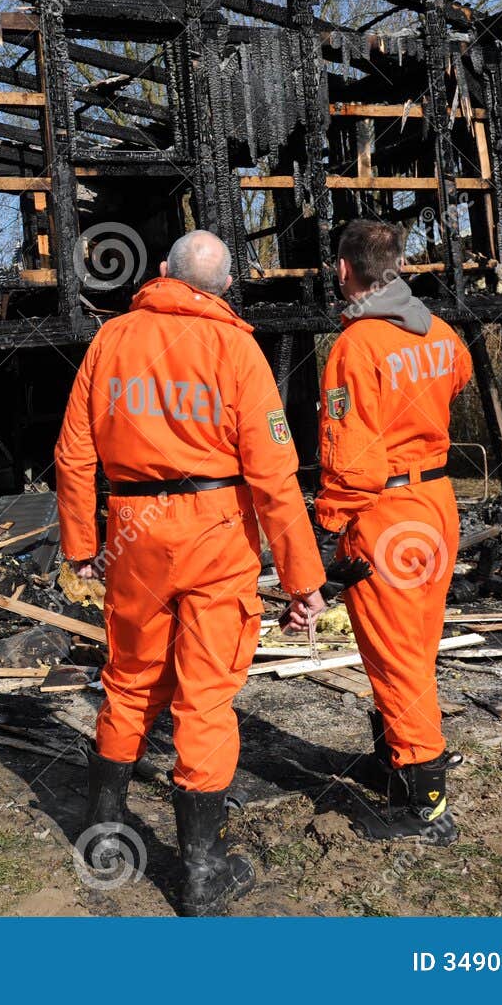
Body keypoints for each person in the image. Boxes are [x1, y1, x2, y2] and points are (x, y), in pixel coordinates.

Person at [55, 229, 327, 915]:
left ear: (160, 271)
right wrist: (302, 579)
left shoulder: (110, 341)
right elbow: (274, 474)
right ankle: (202, 871)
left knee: (129, 678)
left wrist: (82, 545)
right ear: (227, 285)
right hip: (216, 534)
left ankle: (104, 834)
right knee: (204, 698)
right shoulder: (236, 348)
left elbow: (73, 453)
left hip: (134, 533)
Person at [314, 219, 472, 843]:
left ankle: (425, 801)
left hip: (386, 512)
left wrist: (328, 528)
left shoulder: (356, 346)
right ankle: (398, 763)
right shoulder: (438, 330)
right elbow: (457, 377)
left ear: (344, 270)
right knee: (417, 644)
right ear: (398, 267)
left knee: (397, 655)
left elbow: (350, 457)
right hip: (436, 501)